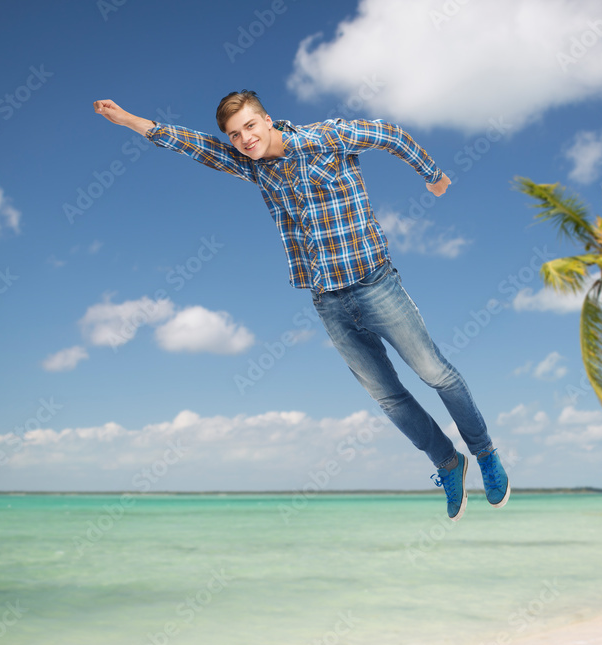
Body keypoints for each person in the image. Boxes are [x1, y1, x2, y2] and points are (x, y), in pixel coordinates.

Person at [92, 91, 508, 520]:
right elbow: (196, 146)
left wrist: (432, 175)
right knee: (388, 398)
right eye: (235, 135)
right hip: (327, 300)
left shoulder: (327, 136)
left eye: (250, 126)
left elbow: (391, 135)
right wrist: (128, 121)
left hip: (375, 283)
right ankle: (448, 462)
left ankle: (485, 454)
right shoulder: (253, 167)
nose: (244, 139)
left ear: (268, 120)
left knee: (434, 372)